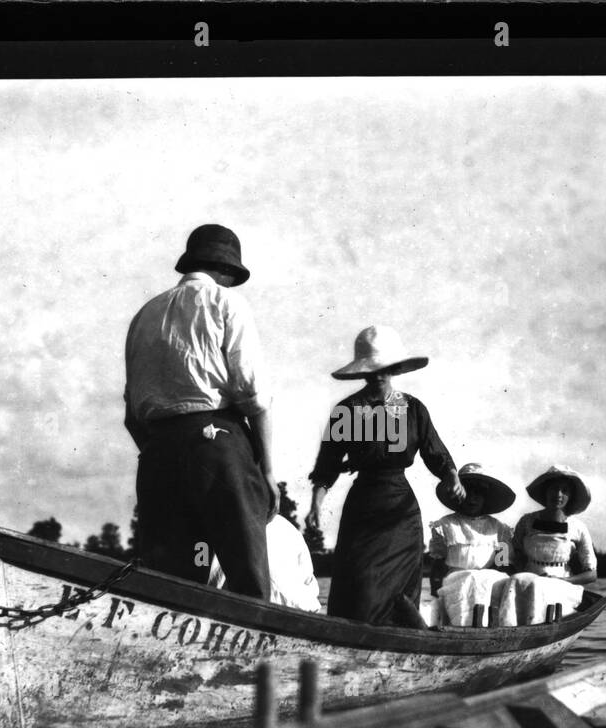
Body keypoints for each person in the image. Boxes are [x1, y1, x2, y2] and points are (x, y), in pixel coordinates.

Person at [123, 224, 279, 599]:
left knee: (173, 579)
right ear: (227, 271)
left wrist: (163, 448)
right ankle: (258, 647)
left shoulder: (145, 315)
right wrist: (269, 471)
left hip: (159, 455)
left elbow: (132, 414)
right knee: (246, 572)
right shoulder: (226, 304)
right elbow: (253, 394)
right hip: (217, 447)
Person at [305, 325, 464, 626]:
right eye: (371, 370)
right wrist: (316, 503)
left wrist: (452, 477)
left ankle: (402, 649)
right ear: (362, 372)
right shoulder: (348, 411)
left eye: (385, 369)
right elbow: (327, 465)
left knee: (401, 594)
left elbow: (436, 453)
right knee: (361, 585)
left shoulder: (413, 408)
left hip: (401, 513)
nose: (378, 375)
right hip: (364, 508)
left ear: (394, 369)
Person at [493, 465, 598, 625]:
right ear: (545, 492)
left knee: (538, 586)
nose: (558, 494)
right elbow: (512, 554)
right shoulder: (527, 521)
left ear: (570, 496)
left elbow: (591, 574)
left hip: (562, 585)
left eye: (564, 490)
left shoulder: (578, 527)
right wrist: (510, 568)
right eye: (553, 489)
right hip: (526, 579)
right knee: (514, 583)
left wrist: (563, 580)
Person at [426, 463, 516, 628]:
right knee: (468, 581)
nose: (472, 498)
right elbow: (437, 564)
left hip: (489, 584)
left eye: (478, 494)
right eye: (467, 491)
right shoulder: (445, 525)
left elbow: (503, 565)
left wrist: (488, 579)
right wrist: (436, 592)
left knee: (486, 581)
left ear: (485, 498)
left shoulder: (499, 529)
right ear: (459, 493)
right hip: (454, 583)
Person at [207, 516, 322, 612]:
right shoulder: (287, 528)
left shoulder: (210, 526)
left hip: (233, 614)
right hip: (296, 614)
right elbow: (309, 585)